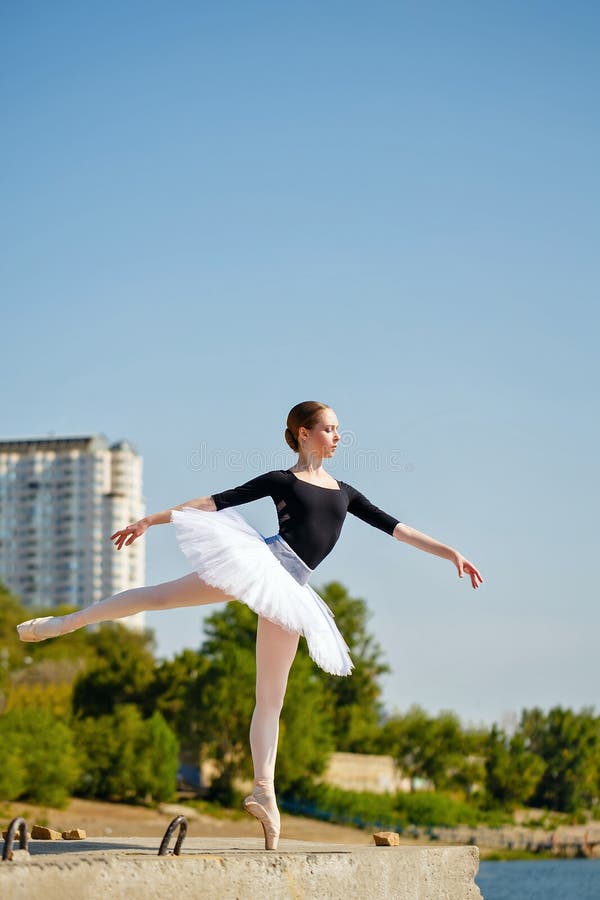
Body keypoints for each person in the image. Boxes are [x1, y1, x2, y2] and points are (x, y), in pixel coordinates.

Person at [17, 401, 483, 850]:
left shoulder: (346, 493)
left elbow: (397, 528)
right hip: (259, 562)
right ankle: (65, 623)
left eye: (339, 430)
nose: (338, 436)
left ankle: (265, 793)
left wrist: (451, 553)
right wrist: (150, 520)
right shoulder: (281, 479)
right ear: (304, 434)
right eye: (330, 428)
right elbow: (214, 501)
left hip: (291, 589)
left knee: (271, 699)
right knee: (158, 597)